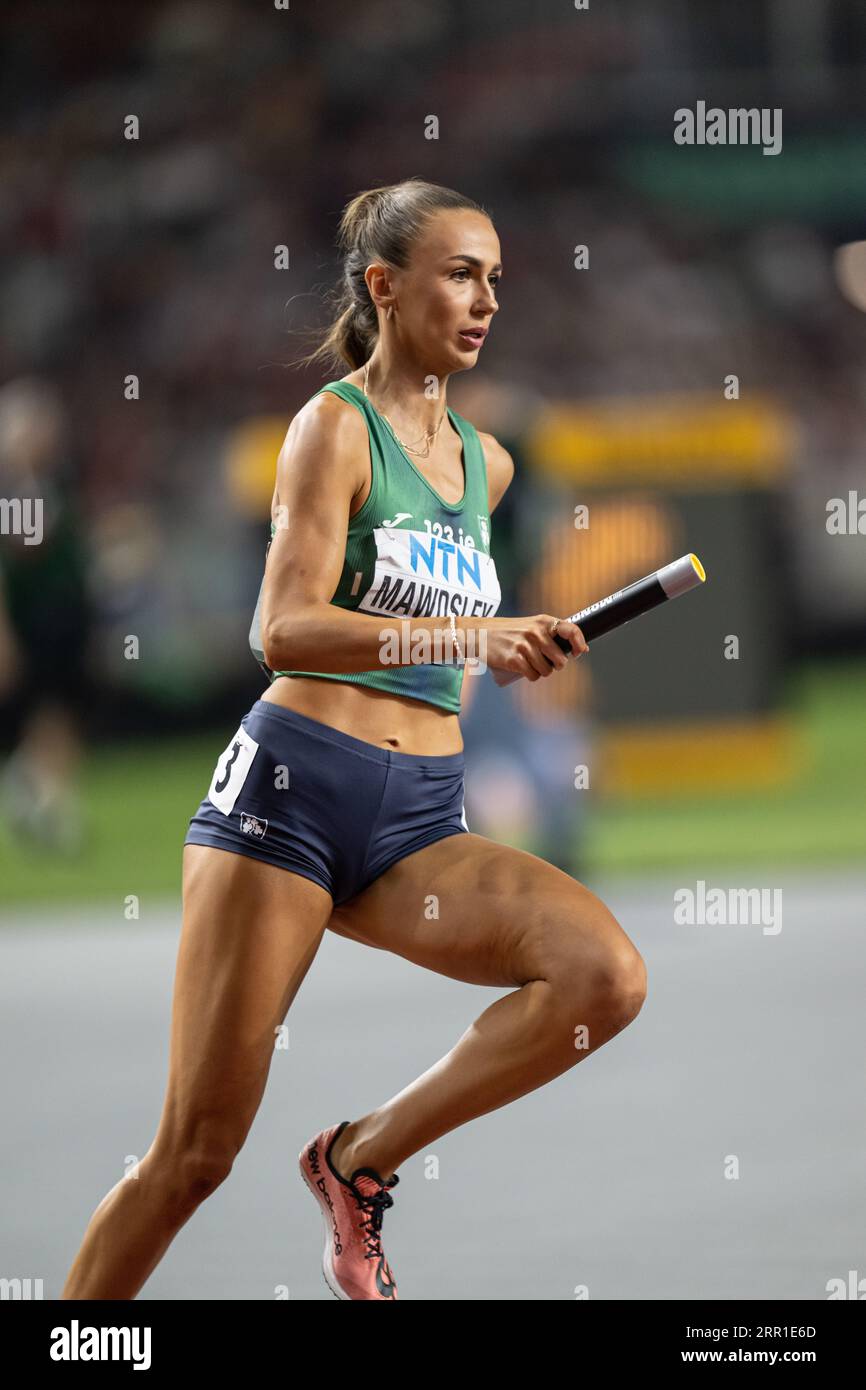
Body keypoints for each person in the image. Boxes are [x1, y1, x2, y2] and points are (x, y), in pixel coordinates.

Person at [62, 178, 646, 1302]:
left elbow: (453, 640)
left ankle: (357, 1156)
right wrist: (478, 630)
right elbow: (280, 627)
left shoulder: (489, 462)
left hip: (420, 816)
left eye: (494, 280)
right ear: (383, 286)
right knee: (194, 1155)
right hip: (291, 793)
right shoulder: (333, 427)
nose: (484, 301)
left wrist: (507, 649)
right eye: (459, 274)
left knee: (600, 977)